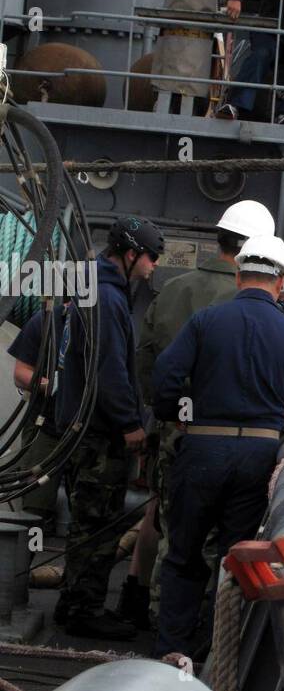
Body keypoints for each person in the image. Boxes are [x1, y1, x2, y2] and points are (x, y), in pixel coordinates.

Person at [152, 233, 284, 659]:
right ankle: (218, 655)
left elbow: (164, 380)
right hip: (258, 459)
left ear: (237, 273)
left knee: (183, 556)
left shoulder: (206, 322)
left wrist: (183, 414)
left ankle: (173, 655)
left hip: (201, 451)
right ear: (283, 280)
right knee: (233, 561)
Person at [134, 199, 276, 628]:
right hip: (233, 439)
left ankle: (161, 618)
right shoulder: (253, 301)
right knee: (220, 540)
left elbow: (147, 362)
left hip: (174, 427)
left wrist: (169, 414)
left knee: (172, 528)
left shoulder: (172, 288)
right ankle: (211, 628)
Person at [54, 217, 164, 639]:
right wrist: (131, 425)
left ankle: (72, 602)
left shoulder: (96, 288)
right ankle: (85, 610)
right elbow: (110, 370)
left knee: (85, 518)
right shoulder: (106, 297)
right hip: (99, 433)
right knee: (98, 521)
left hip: (82, 426)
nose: (154, 264)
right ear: (130, 252)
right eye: (151, 255)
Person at [6, 304, 67, 530]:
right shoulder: (46, 321)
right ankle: (24, 561)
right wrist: (53, 385)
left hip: (89, 431)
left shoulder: (105, 324)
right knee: (35, 507)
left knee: (89, 509)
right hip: (46, 425)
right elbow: (21, 375)